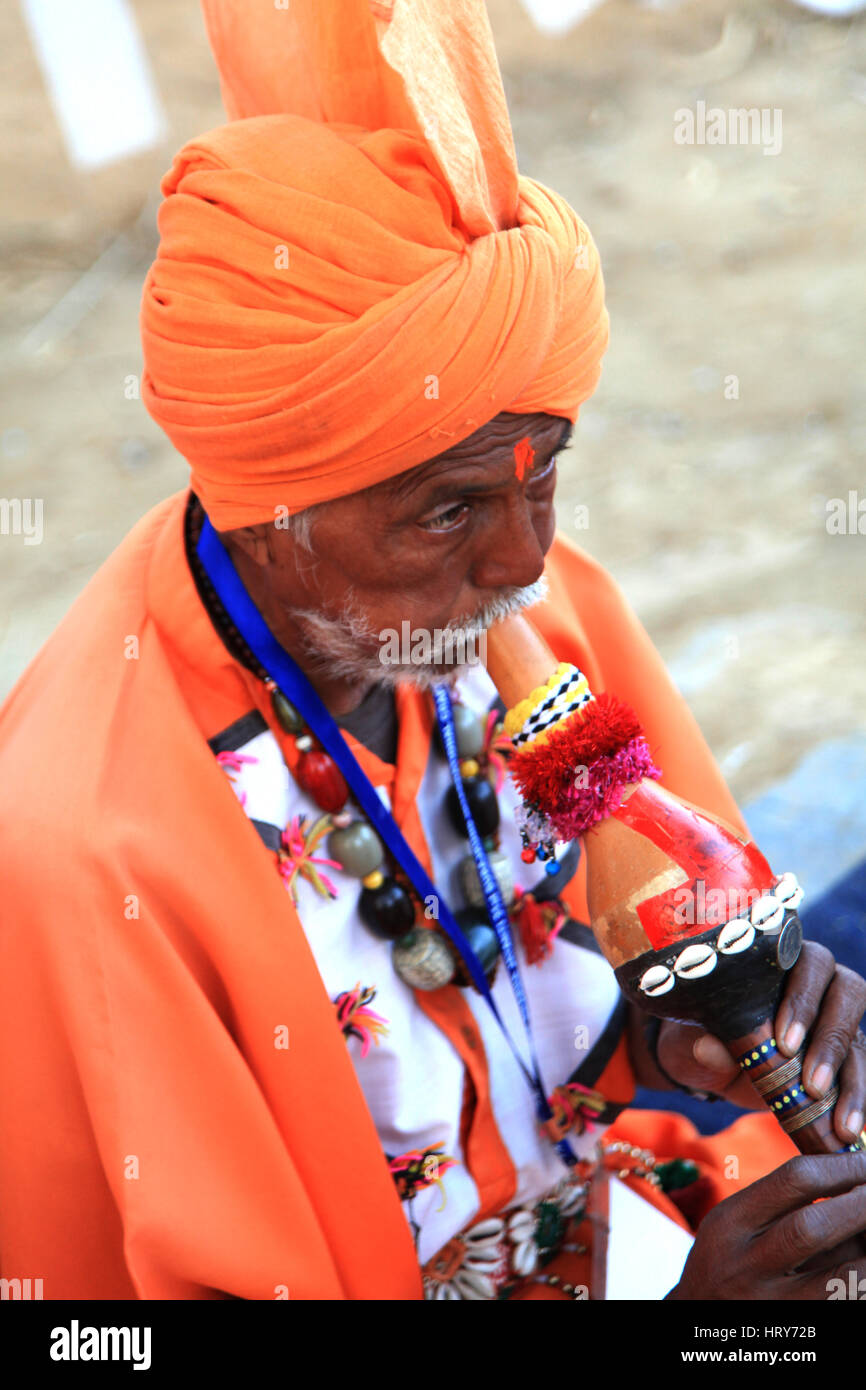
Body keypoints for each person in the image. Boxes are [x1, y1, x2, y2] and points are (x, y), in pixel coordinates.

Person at [1, 0, 865, 1301]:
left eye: (545, 478)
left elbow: (579, 982)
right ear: (270, 510)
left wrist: (674, 1033)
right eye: (451, 508)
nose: (524, 562)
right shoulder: (87, 848)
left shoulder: (510, 610)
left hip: (619, 1200)